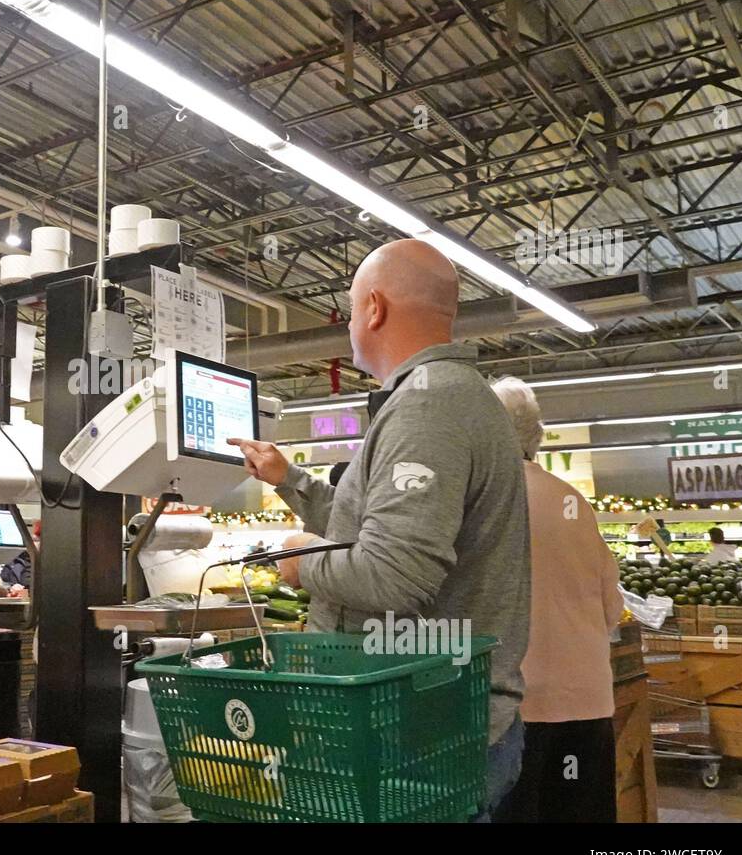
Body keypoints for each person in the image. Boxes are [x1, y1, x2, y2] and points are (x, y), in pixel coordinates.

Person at [228, 238, 531, 821]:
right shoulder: (449, 397)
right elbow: (373, 529)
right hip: (434, 719)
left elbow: (393, 578)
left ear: (373, 308)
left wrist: (297, 561)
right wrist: (290, 479)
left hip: (416, 734)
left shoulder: (427, 407)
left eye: (347, 310)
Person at [489, 377, 621, 823]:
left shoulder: (486, 501)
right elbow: (610, 604)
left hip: (519, 707)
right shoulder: (572, 500)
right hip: (587, 698)